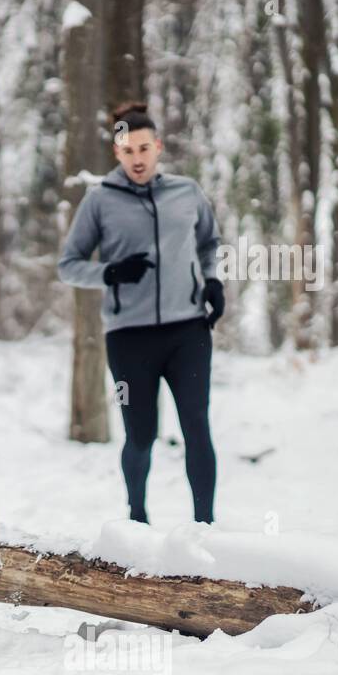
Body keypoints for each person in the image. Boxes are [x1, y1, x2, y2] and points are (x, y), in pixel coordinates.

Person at [58, 102, 223, 525]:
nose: (137, 158)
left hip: (188, 331)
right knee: (141, 434)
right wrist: (110, 272)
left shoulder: (186, 192)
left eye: (144, 149)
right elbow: (69, 264)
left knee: (196, 429)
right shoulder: (99, 201)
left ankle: (205, 527)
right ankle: (137, 520)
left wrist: (213, 282)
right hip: (129, 337)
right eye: (128, 151)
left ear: (158, 148)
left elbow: (209, 243)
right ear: (117, 153)